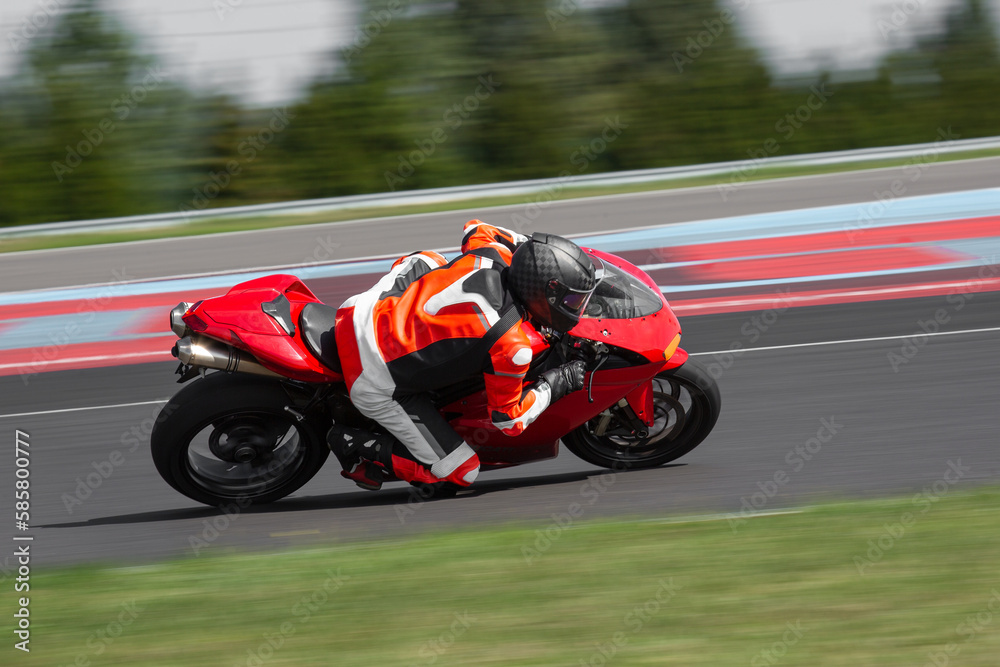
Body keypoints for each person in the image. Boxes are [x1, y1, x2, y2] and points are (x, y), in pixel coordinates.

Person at [330, 220, 601, 491]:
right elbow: (509, 420)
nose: (576, 308)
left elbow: (475, 227)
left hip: (360, 309)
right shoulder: (512, 346)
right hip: (371, 374)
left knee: (428, 259)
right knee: (462, 471)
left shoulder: (492, 252)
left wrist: (532, 251)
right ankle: (359, 445)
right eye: (572, 302)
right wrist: (557, 383)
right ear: (545, 293)